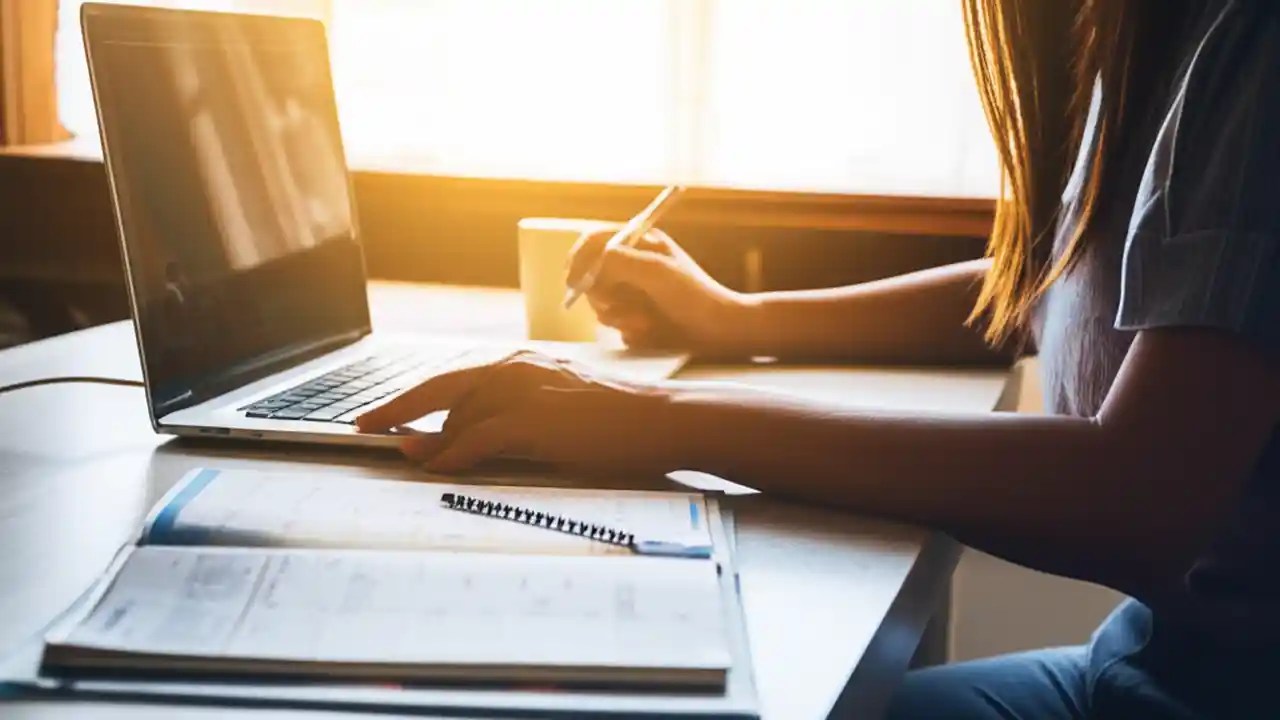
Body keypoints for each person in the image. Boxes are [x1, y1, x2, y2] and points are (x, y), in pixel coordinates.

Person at [358, 0, 1280, 716]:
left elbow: (1139, 493)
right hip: (1148, 668)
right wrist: (737, 318)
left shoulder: (1254, 38)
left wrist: (649, 422)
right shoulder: (1141, 30)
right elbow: (1054, 296)